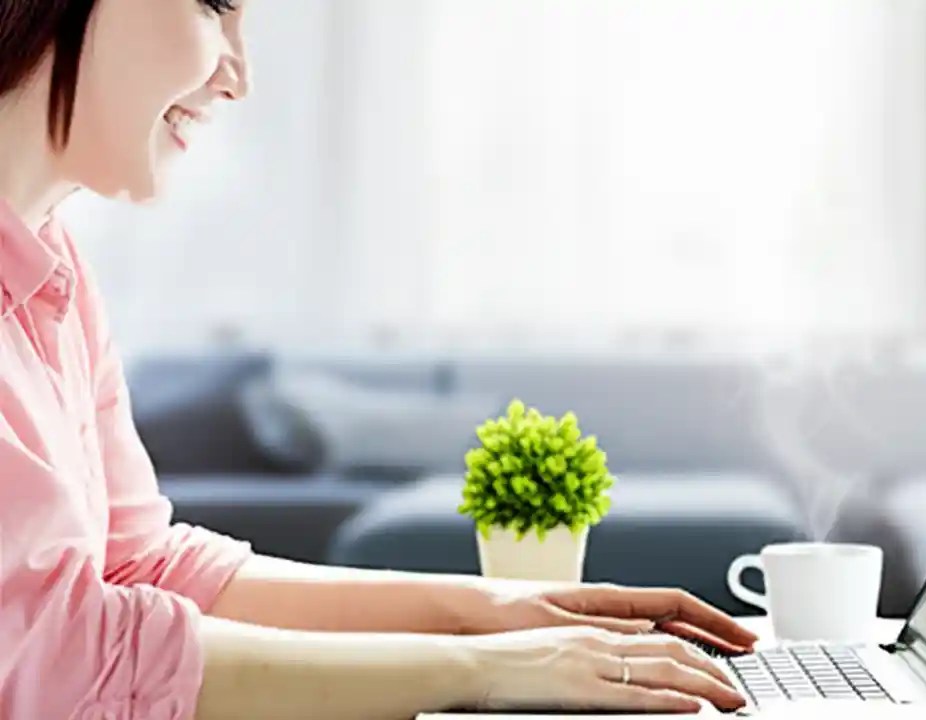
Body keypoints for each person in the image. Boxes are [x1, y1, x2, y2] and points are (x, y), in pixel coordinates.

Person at [0, 1, 756, 717]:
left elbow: (140, 568)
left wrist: (492, 616)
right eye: (213, 4)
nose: (238, 75)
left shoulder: (54, 270)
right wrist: (488, 670)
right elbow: (61, 655)